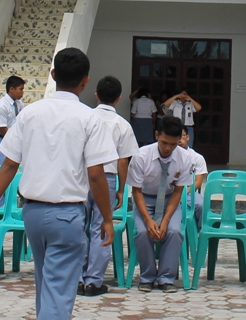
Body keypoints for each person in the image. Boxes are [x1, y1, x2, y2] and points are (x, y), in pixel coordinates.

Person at [0, 48, 118, 320]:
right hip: (67, 214)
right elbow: (97, 175)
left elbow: (8, 164)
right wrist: (108, 218)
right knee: (58, 292)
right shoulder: (89, 118)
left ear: (52, 75)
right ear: (85, 82)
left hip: (33, 212)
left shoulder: (30, 113)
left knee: (46, 288)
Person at [78, 76, 140, 297]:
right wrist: (122, 189)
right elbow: (124, 161)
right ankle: (94, 281)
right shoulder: (122, 125)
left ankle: (77, 277)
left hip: (83, 176)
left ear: (96, 95)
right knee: (102, 227)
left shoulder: (84, 117)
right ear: (118, 98)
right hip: (109, 178)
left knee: (79, 225)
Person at [128, 116, 193, 293]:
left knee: (174, 231)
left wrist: (165, 221)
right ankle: (147, 277)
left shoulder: (185, 158)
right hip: (145, 200)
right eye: (164, 143)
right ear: (156, 135)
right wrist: (149, 220)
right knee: (142, 232)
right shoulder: (141, 156)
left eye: (173, 144)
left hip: (170, 200)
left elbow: (178, 192)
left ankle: (166, 277)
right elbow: (137, 192)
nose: (168, 148)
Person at [0, 75, 25, 168]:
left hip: (11, 139)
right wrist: (14, 143)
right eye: (20, 89)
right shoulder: (1, 106)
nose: (22, 92)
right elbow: (3, 129)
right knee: (0, 169)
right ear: (11, 89)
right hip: (1, 140)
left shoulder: (18, 103)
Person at [180, 126, 207, 228]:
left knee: (201, 205)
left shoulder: (197, 158)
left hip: (189, 192)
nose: (179, 139)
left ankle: (201, 232)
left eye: (182, 136)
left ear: (187, 137)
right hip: (170, 192)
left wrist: (181, 195)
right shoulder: (168, 156)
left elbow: (198, 182)